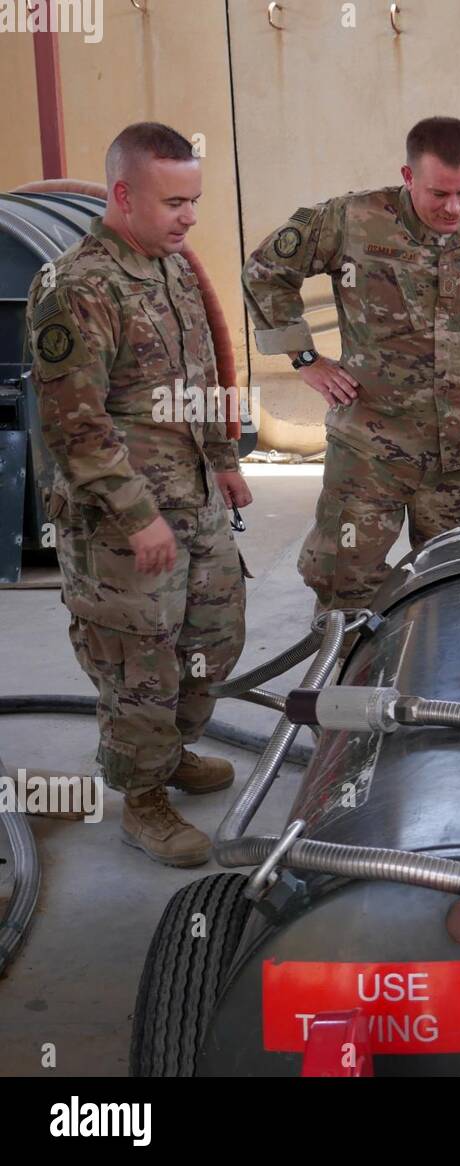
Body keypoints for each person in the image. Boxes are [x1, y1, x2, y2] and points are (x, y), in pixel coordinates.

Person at [25, 122, 250, 867]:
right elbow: (74, 424)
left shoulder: (172, 268)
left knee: (211, 644)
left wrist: (221, 459)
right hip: (125, 528)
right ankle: (143, 801)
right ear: (122, 195)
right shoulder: (76, 287)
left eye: (195, 200)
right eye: (174, 201)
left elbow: (205, 378)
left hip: (193, 501)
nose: (190, 217)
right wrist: (138, 514)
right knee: (140, 667)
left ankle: (172, 753)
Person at [242, 117, 460, 611]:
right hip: (370, 448)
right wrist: (304, 358)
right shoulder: (352, 220)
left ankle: (439, 685)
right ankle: (341, 682)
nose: (453, 207)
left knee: (453, 587)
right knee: (343, 581)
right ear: (408, 176)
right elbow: (265, 271)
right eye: (438, 193)